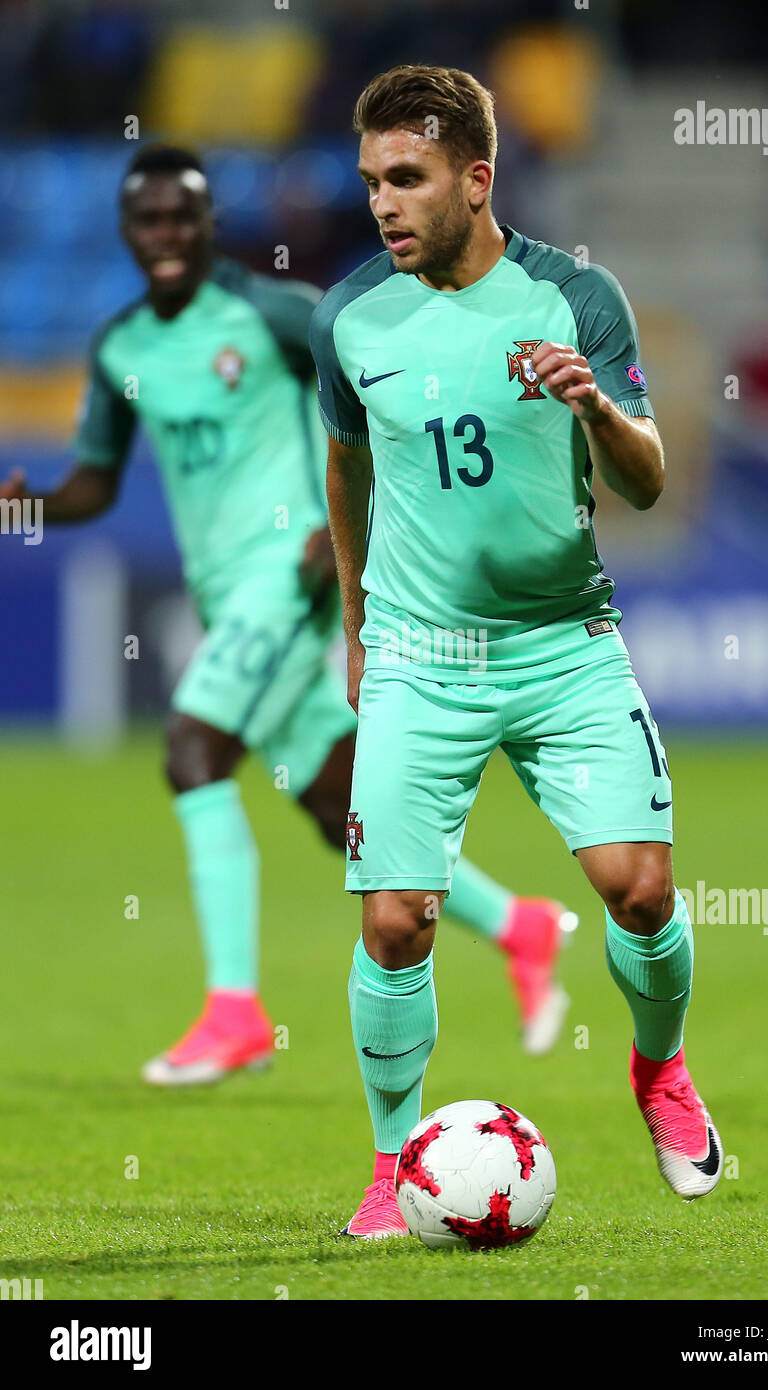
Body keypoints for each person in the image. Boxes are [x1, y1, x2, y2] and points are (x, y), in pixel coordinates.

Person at [0, 144, 573, 1085]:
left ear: (210, 223)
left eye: (184, 216)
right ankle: (519, 927)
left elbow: (382, 406)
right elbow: (96, 486)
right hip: (227, 589)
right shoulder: (121, 349)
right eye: (149, 221)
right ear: (128, 233)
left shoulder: (273, 314)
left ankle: (235, 1012)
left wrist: (351, 526)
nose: (168, 235)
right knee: (334, 804)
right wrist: (29, 505)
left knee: (193, 747)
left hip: (297, 566)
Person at [311, 66, 723, 1238]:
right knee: (395, 918)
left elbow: (643, 485)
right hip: (416, 652)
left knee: (637, 893)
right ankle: (392, 1167)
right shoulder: (348, 319)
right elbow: (346, 471)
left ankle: (659, 1071)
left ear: (476, 178)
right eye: (371, 182)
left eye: (408, 179)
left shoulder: (575, 296)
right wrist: (356, 630)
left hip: (561, 646)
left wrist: (596, 408)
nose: (382, 204)